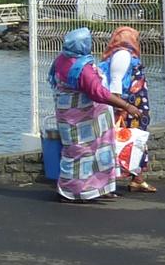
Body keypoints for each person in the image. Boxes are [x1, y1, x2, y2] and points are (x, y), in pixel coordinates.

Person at [49, 28, 141, 203]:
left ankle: (95, 188)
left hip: (69, 115)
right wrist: (127, 106)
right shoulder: (81, 68)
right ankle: (71, 191)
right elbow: (98, 92)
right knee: (81, 152)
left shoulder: (63, 59)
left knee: (84, 151)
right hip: (84, 119)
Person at [101, 26, 156, 193]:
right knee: (128, 140)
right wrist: (121, 106)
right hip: (130, 105)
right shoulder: (123, 54)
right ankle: (118, 179)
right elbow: (116, 82)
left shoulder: (125, 54)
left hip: (135, 104)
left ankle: (137, 178)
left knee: (136, 140)